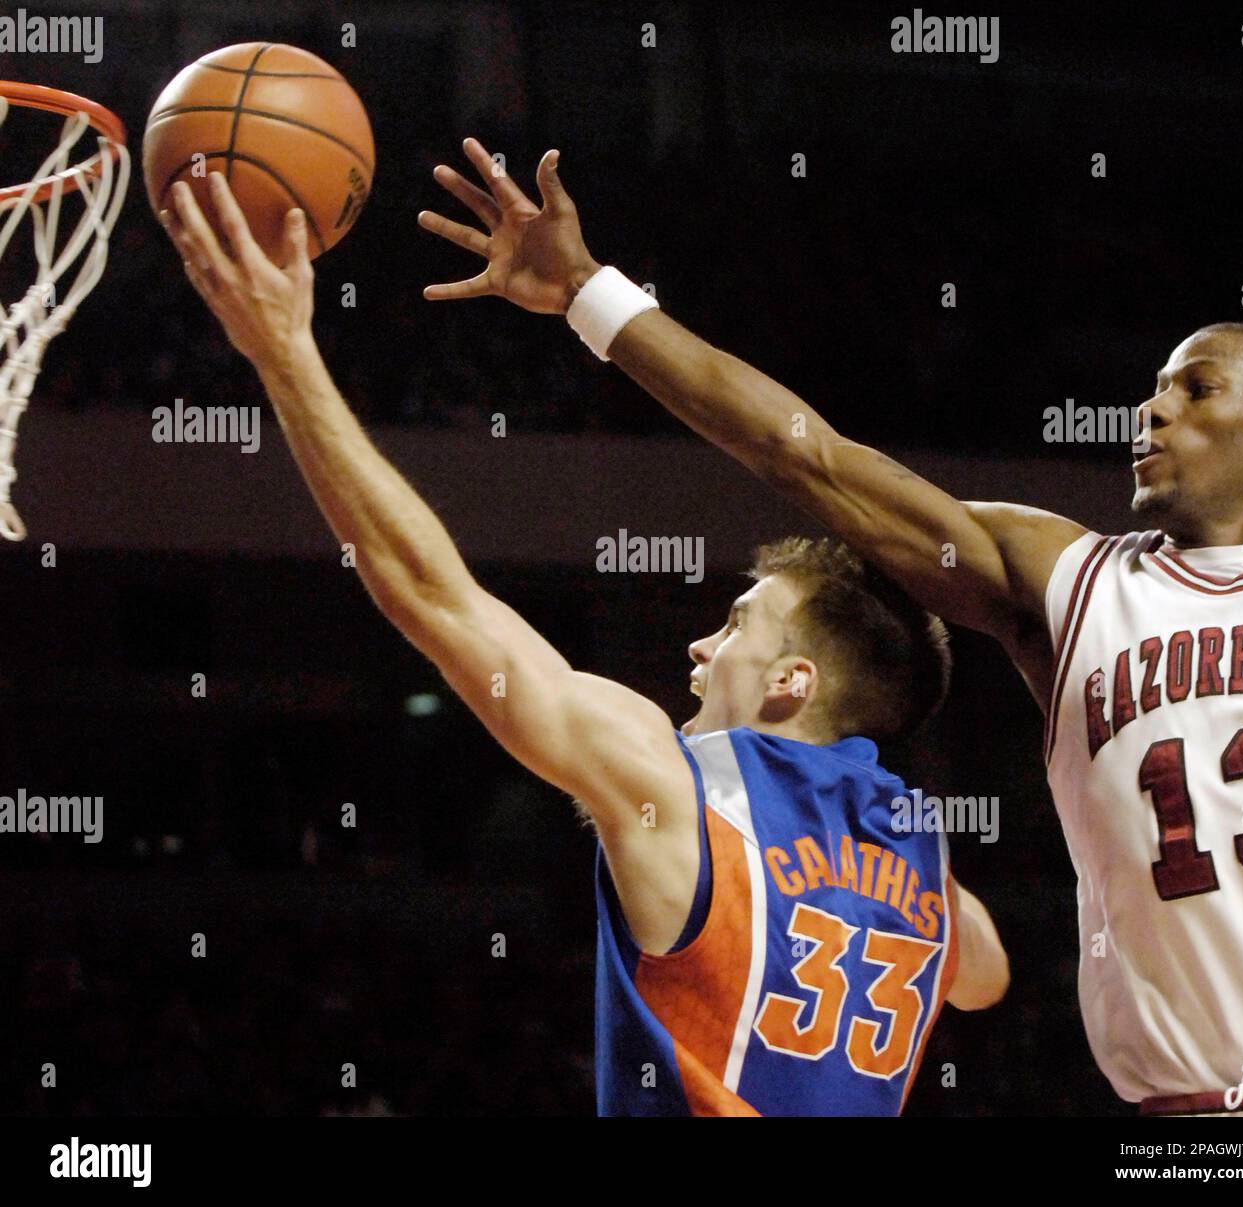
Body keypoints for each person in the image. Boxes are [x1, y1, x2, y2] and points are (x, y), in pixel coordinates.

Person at [416, 138, 1243, 1117]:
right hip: (1171, 1119)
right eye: (1158, 384)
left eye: (1197, 387)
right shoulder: (1071, 582)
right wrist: (590, 293)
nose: (1152, 405)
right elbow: (808, 458)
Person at [158, 170, 1009, 1117]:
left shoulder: (677, 789)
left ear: (790, 681)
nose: (699, 645)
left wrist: (284, 356)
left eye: (733, 624)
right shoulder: (926, 865)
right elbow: (986, 977)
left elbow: (436, 600)